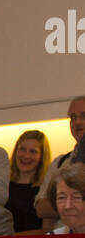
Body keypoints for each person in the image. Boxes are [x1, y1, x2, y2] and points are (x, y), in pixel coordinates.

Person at [35, 96, 85, 227]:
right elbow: (41, 207)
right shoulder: (60, 162)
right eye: (73, 117)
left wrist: (59, 204)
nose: (78, 122)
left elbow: (48, 207)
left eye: (84, 116)